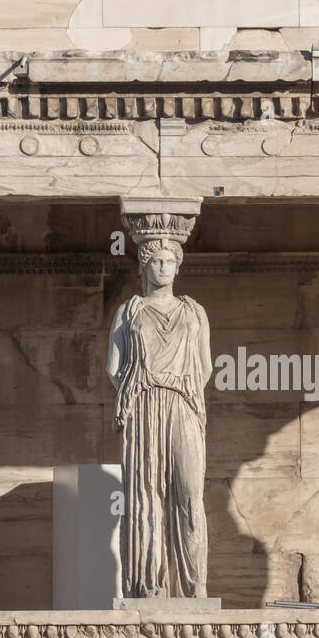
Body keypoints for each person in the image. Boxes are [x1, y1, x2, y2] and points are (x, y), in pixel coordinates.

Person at [107, 232, 212, 598]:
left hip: (182, 403)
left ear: (178, 266)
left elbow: (205, 365)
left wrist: (176, 384)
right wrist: (144, 384)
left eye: (170, 260)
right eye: (156, 260)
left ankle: (193, 583)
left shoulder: (194, 311)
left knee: (189, 491)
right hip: (144, 405)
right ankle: (148, 584)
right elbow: (113, 366)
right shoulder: (130, 310)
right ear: (144, 265)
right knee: (145, 494)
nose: (163, 266)